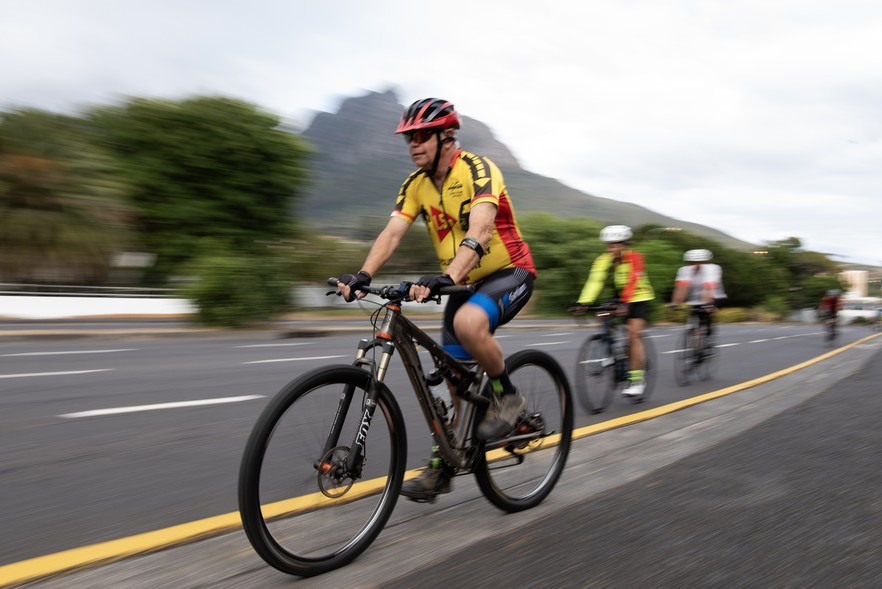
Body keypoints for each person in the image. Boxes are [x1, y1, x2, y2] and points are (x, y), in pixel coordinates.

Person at [336, 98, 537, 501]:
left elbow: (480, 229)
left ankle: (509, 400)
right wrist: (363, 275)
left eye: (422, 136)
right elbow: (392, 233)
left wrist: (447, 276)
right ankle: (443, 465)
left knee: (467, 326)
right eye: (409, 138)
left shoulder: (478, 169)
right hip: (460, 284)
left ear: (447, 137)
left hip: (508, 272)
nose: (413, 144)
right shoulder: (415, 185)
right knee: (451, 380)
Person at [575, 225, 655, 397]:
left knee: (633, 334)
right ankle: (610, 348)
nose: (612, 248)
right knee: (602, 314)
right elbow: (594, 281)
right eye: (609, 245)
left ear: (625, 244)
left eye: (616, 244)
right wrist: (584, 302)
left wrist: (625, 303)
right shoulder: (602, 260)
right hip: (621, 296)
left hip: (639, 296)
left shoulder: (635, 257)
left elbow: (634, 279)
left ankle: (637, 380)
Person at [670, 249, 726, 346]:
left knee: (706, 313)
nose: (695, 265)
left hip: (715, 296)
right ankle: (697, 342)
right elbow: (680, 289)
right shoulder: (684, 270)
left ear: (706, 262)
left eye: (699, 262)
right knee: (692, 319)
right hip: (695, 299)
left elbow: (708, 289)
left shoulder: (713, 269)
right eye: (691, 262)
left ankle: (708, 334)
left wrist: (708, 305)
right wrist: (675, 303)